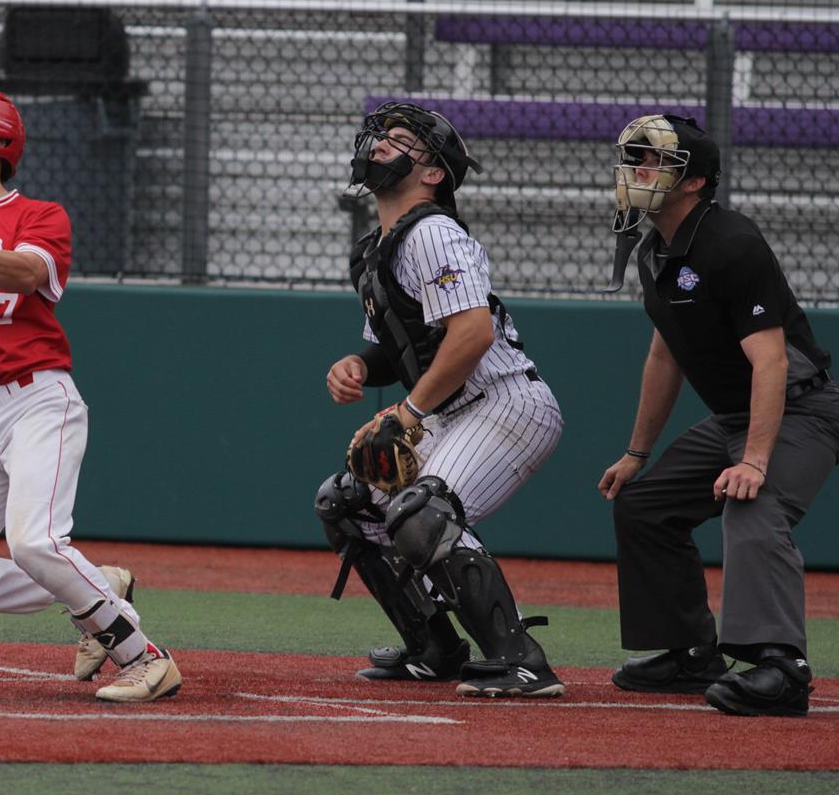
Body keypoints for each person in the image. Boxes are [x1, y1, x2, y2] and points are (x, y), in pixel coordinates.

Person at [0, 80, 181, 703]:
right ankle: (97, 586)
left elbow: (27, 273)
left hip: (37, 402)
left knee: (33, 542)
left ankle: (145, 657)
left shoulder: (40, 215)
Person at [316, 101, 566, 698]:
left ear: (433, 174)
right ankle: (434, 647)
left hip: (505, 402)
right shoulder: (377, 246)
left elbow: (473, 334)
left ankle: (520, 660)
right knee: (348, 504)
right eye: (379, 136)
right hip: (454, 412)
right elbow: (399, 345)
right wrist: (357, 364)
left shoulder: (432, 230)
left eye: (400, 140)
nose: (380, 143)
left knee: (422, 514)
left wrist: (407, 413)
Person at [597, 113, 839, 717]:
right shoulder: (654, 249)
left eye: (652, 161)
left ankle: (782, 668)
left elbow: (773, 364)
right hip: (737, 414)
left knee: (753, 505)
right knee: (645, 506)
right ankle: (690, 655)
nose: (636, 170)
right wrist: (636, 453)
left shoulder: (732, 242)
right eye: (633, 158)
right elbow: (664, 353)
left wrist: (755, 459)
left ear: (694, 183)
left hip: (801, 408)